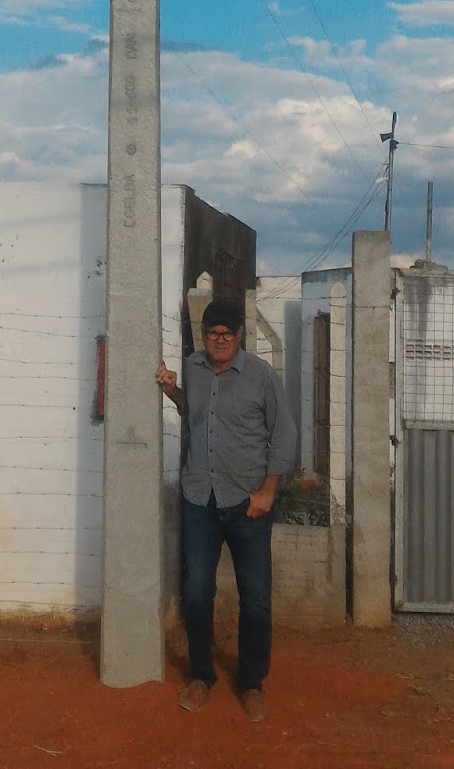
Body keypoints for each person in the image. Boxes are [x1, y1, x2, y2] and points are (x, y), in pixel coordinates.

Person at [156, 296, 297, 722]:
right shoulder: (194, 368)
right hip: (200, 498)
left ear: (239, 335)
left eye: (227, 334)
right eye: (212, 333)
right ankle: (201, 676)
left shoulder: (260, 376)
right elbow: (194, 412)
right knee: (196, 592)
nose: (219, 340)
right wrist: (171, 389)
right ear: (204, 335)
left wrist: (269, 489)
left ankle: (251, 683)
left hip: (248, 504)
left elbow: (285, 434)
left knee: (254, 598)